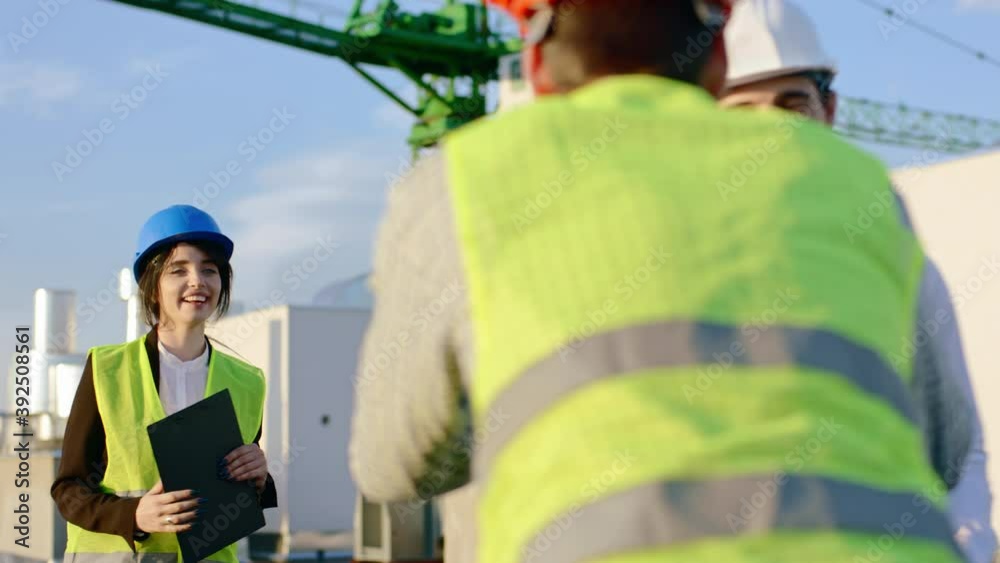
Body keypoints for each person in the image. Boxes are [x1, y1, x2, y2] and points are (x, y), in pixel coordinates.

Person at [349, 1, 966, 562]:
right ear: (717, 56)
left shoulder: (465, 181)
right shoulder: (858, 184)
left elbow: (391, 469)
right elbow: (944, 450)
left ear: (535, 63)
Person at [720, 2, 994, 561]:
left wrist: (967, 547)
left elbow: (955, 450)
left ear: (830, 110)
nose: (773, 133)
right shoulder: (678, 262)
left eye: (792, 106)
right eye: (743, 113)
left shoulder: (889, 252)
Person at [51, 205, 277, 562]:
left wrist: (260, 477)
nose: (197, 281)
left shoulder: (247, 383)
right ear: (152, 286)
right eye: (178, 270)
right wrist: (133, 515)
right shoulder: (107, 369)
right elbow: (68, 490)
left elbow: (235, 493)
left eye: (209, 269)